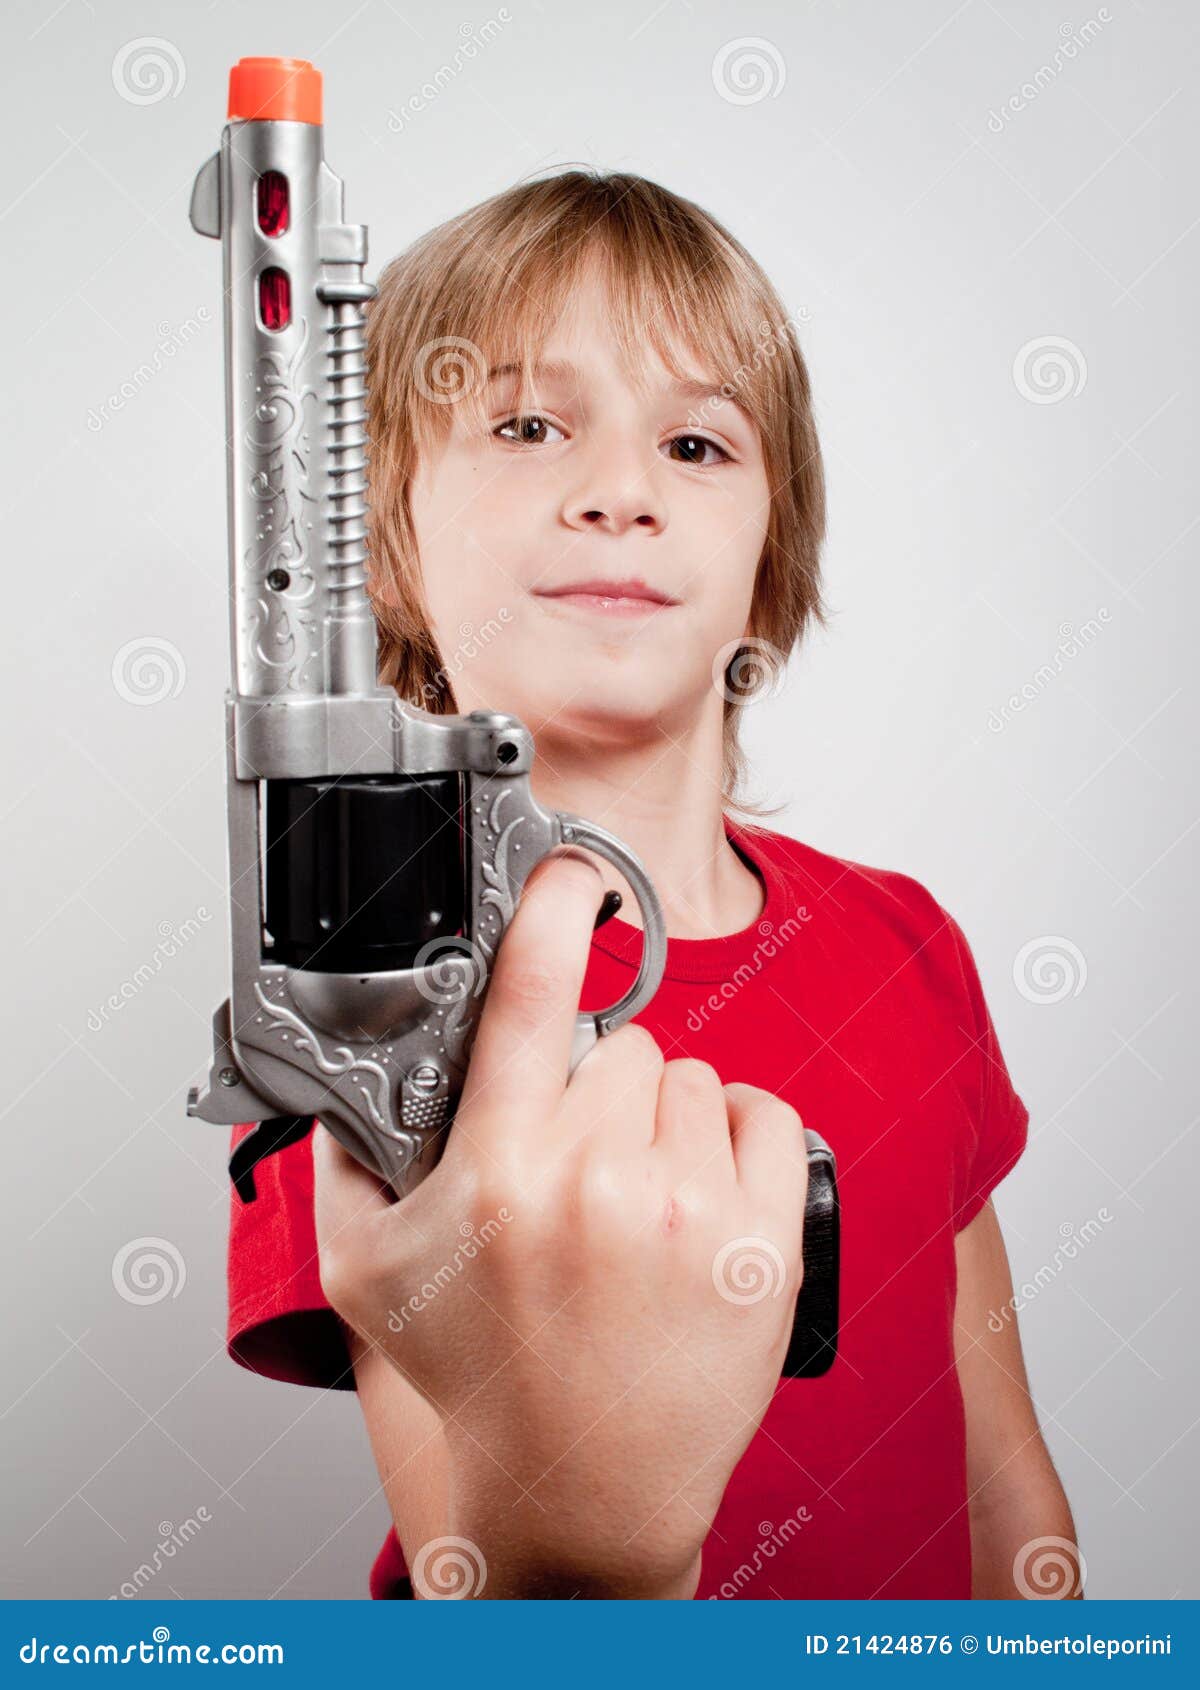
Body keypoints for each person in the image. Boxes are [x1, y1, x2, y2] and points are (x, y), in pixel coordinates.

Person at [226, 170, 1079, 1601]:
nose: (620, 491)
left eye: (694, 442)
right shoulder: (363, 1001)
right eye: (527, 424)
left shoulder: (907, 942)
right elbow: (484, 1571)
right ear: (391, 551)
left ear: (766, 561)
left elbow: (1008, 1481)